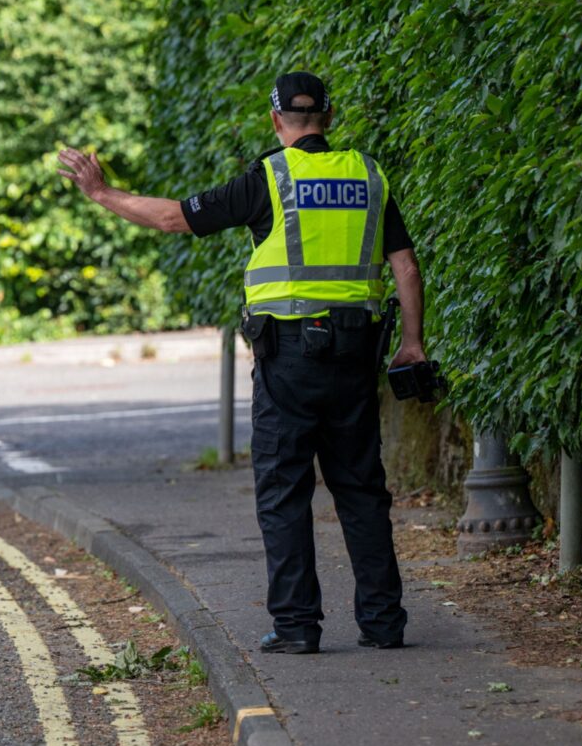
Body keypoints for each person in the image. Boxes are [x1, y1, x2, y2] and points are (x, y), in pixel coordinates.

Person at [57, 71, 422, 653]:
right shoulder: (368, 175)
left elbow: (175, 217)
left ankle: (298, 627)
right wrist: (412, 343)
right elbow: (404, 264)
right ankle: (383, 624)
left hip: (289, 358)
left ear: (277, 121)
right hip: (357, 354)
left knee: (283, 489)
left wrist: (102, 193)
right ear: (329, 118)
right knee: (361, 489)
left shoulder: (270, 177)